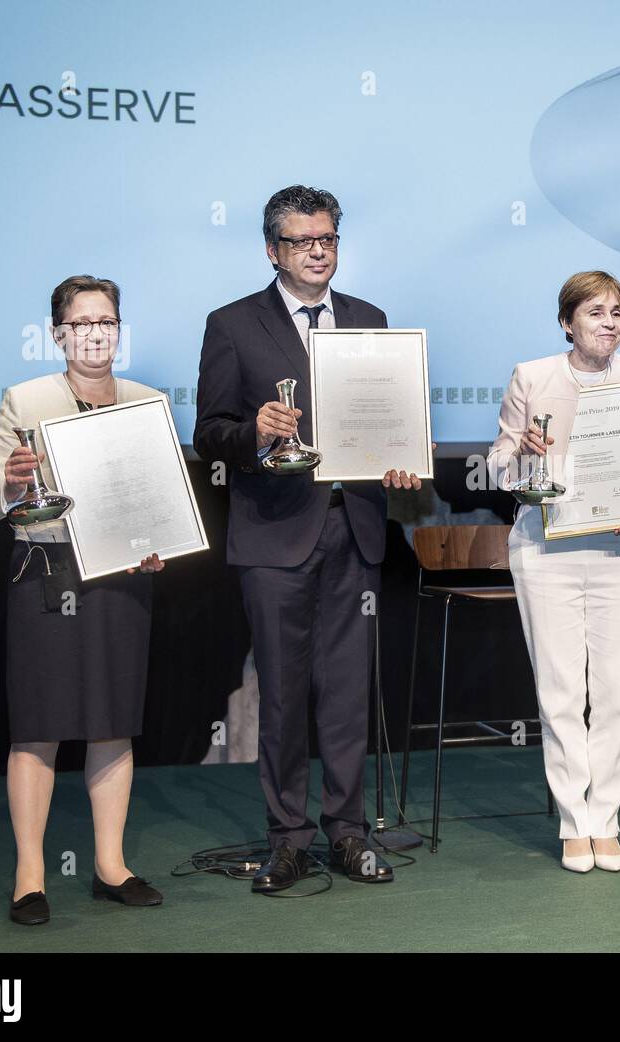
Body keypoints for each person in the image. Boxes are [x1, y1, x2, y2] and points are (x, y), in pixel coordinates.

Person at [194, 185, 424, 892]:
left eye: (327, 238)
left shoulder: (368, 319)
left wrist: (403, 453)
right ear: (273, 250)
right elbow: (209, 435)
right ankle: (288, 838)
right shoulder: (233, 324)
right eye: (302, 241)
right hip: (273, 534)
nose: (318, 251)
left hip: (353, 525)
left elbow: (387, 415)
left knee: (348, 693)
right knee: (285, 695)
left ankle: (349, 833)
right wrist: (254, 434)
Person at [0, 275, 166, 925]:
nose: (94, 334)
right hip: (47, 574)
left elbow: (160, 501)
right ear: (57, 334)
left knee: (113, 721)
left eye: (105, 321)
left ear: (119, 329)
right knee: (39, 726)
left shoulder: (147, 402)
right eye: (80, 324)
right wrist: (10, 479)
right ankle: (31, 875)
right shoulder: (25, 400)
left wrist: (158, 540)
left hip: (120, 578)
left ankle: (110, 866)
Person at [488, 271, 620, 873]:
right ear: (567, 320)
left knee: (618, 694)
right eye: (595, 312)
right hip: (547, 551)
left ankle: (607, 820)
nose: (609, 322)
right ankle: (575, 822)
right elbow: (497, 468)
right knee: (563, 692)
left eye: (618, 311)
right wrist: (523, 454)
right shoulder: (532, 375)